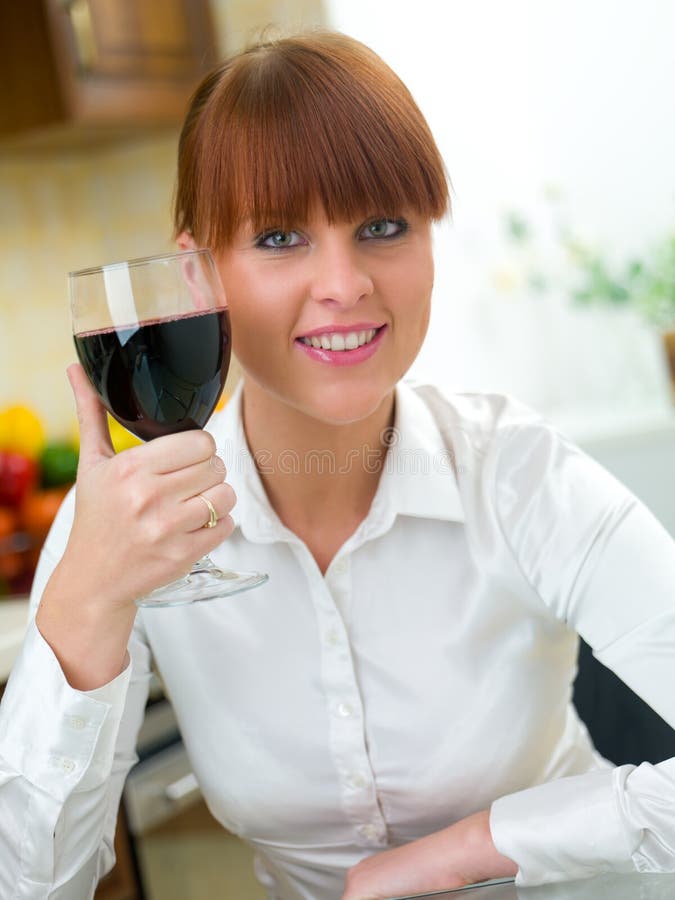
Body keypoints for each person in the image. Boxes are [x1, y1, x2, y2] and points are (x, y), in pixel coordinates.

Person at [1, 30, 674, 900]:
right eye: (280, 238)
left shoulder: (521, 475)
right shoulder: (127, 527)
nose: (344, 282)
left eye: (382, 226)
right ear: (195, 272)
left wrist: (470, 848)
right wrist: (88, 599)